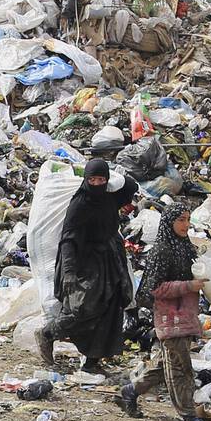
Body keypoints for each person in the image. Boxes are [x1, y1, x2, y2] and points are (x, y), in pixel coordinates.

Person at [39, 158, 138, 372]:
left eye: (101, 179)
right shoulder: (80, 204)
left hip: (110, 259)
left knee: (111, 307)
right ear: (85, 180)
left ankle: (93, 361)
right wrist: (69, 273)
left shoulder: (110, 197)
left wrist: (115, 177)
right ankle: (48, 333)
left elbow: (131, 186)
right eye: (92, 179)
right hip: (84, 260)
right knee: (82, 307)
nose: (96, 184)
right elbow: (68, 238)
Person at [117, 204, 205, 421]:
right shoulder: (162, 250)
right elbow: (155, 288)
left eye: (188, 219)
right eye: (181, 220)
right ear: (169, 222)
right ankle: (188, 416)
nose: (186, 225)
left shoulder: (184, 246)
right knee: (180, 368)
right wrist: (188, 285)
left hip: (185, 312)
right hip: (169, 315)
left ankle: (130, 391)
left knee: (165, 363)